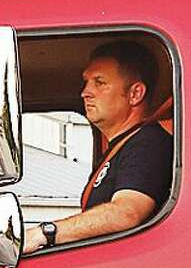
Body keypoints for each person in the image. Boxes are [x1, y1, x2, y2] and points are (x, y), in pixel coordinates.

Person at [21, 39, 174, 253]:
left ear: (135, 94)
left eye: (99, 82)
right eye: (87, 82)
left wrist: (45, 233)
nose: (85, 92)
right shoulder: (121, 147)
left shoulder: (148, 143)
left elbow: (126, 213)